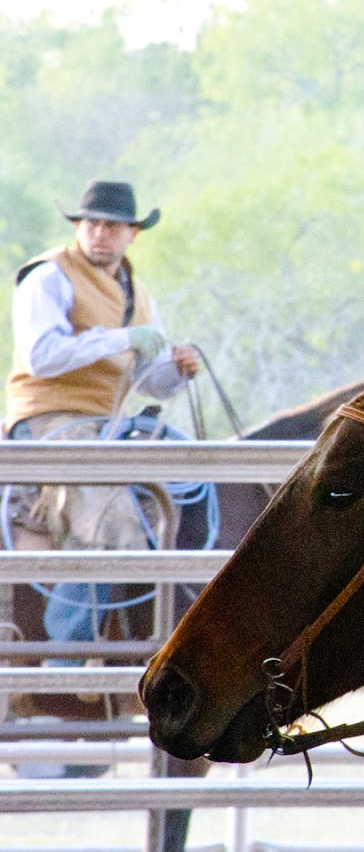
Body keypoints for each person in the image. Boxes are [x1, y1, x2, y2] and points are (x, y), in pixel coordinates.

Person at [4, 179, 200, 645]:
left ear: (133, 233)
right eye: (91, 223)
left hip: (108, 423)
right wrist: (120, 339)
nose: (99, 234)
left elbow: (150, 380)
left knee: (193, 476)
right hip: (49, 418)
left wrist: (177, 370)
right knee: (110, 520)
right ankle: (66, 656)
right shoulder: (48, 276)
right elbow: (41, 355)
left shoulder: (138, 292)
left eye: (112, 226)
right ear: (78, 226)